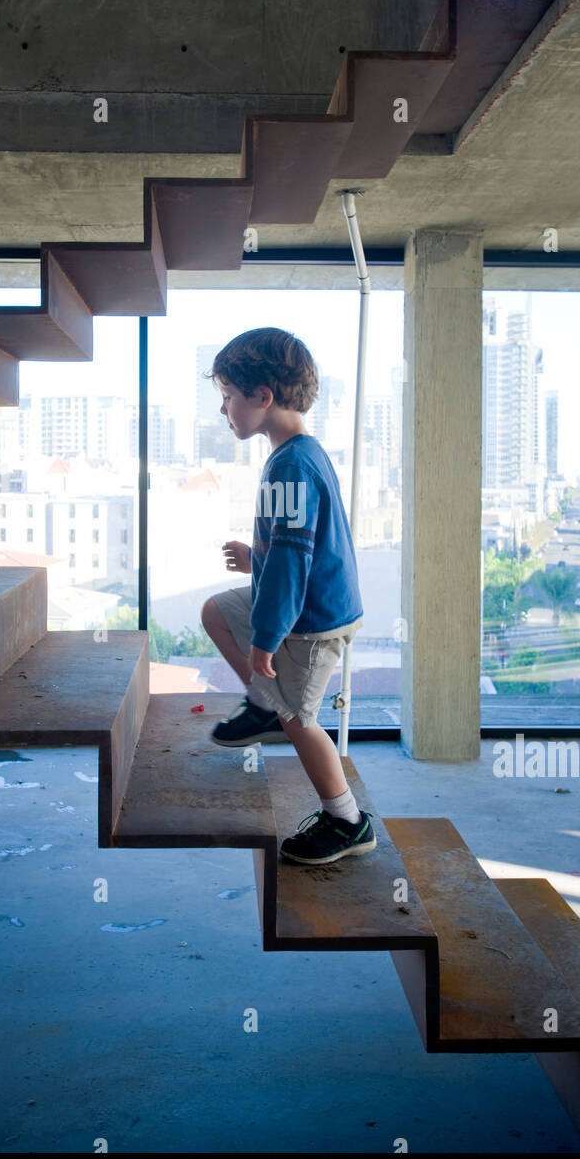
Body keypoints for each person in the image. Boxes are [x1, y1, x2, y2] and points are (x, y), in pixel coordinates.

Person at [199, 327, 375, 866]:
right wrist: (256, 561)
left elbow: (296, 561)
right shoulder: (296, 454)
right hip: (301, 601)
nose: (224, 410)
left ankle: (346, 820)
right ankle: (264, 702)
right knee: (217, 612)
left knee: (300, 720)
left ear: (263, 396)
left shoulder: (291, 466)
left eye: (229, 396)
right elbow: (300, 545)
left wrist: (266, 643)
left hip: (311, 620)